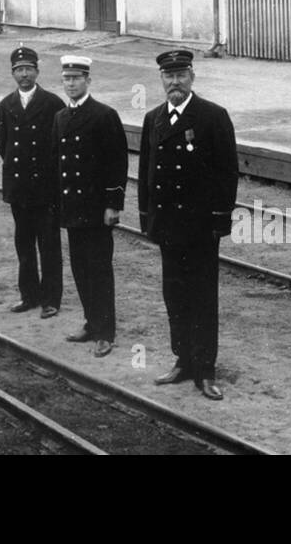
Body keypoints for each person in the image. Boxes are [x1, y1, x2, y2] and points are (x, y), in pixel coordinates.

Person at [137, 49, 238, 400]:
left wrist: (220, 219)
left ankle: (205, 369)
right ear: (161, 80)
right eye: (169, 76)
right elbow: (146, 172)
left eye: (181, 75)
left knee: (202, 297)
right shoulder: (154, 119)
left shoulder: (212, 116)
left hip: (199, 227)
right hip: (168, 226)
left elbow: (227, 173)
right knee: (174, 294)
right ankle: (183, 360)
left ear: (192, 77)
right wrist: (147, 218)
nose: (175, 82)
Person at [52, 54, 127, 357]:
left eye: (76, 78)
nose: (71, 83)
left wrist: (113, 204)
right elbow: (56, 163)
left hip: (96, 209)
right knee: (80, 268)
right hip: (72, 208)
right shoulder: (59, 118)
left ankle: (105, 331)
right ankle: (90, 322)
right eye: (67, 79)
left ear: (88, 81)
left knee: (99, 269)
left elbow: (117, 163)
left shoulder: (104, 115)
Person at [0, 46, 65, 319]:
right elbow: (4, 145)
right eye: (19, 70)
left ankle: (51, 298)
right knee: (23, 243)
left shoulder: (52, 103)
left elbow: (59, 147)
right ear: (13, 73)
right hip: (19, 187)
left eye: (29, 69)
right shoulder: (7, 104)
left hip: (45, 188)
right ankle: (29, 295)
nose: (24, 74)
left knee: (49, 245)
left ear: (37, 71)